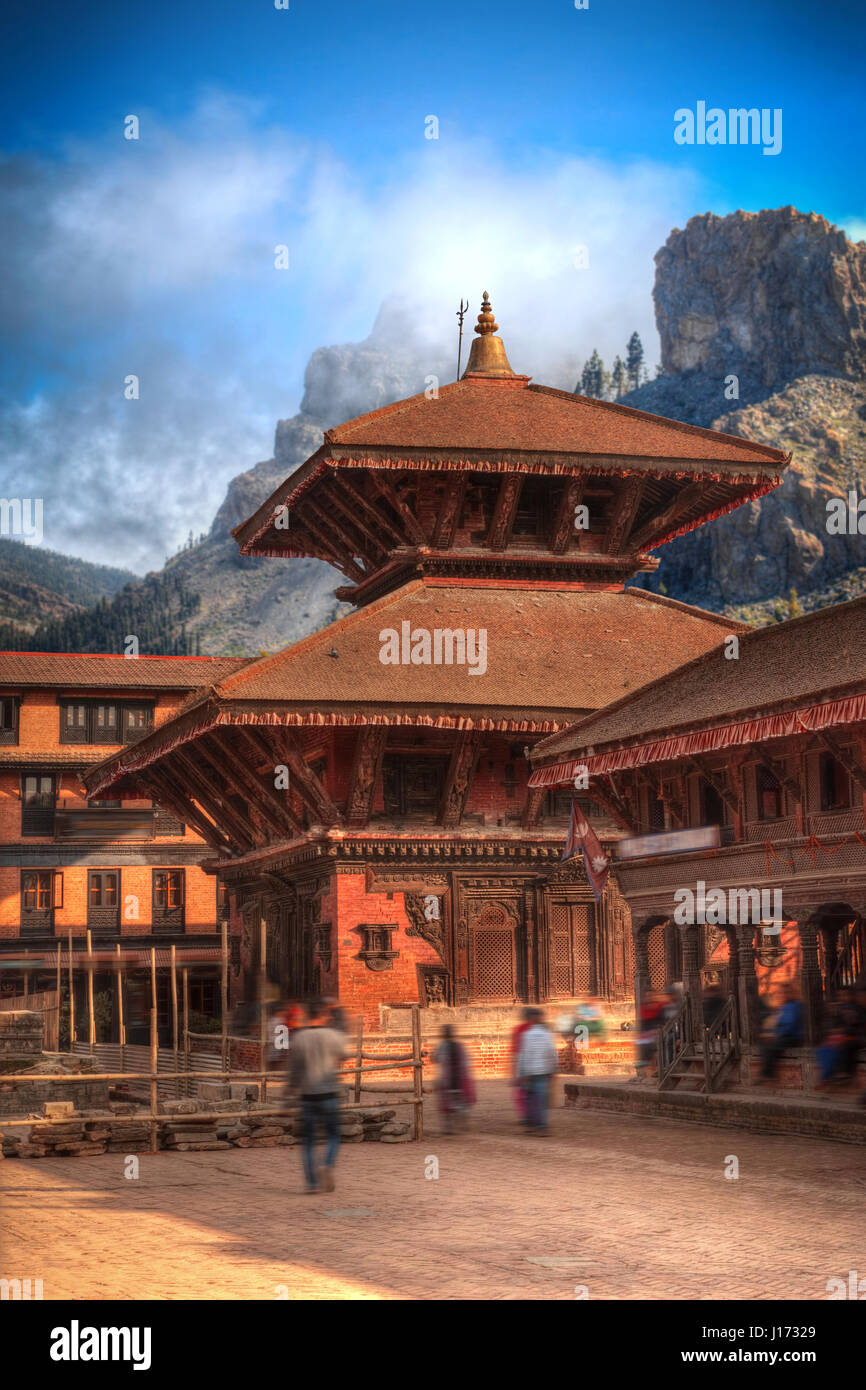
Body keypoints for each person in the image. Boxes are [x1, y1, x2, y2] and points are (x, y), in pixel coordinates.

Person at [286, 999, 350, 1193]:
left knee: (309, 1141)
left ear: (307, 1016)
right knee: (333, 1135)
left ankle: (312, 1183)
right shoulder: (333, 1035)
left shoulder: (299, 1038)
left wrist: (287, 1095)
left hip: (307, 1096)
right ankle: (327, 1164)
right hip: (329, 1092)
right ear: (323, 1014)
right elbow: (344, 1055)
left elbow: (293, 1071)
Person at [516, 1008, 558, 1134]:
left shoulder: (527, 1035)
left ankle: (535, 1124)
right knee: (542, 1098)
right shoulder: (546, 1034)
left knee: (531, 1098)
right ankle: (541, 1125)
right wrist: (553, 1069)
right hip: (543, 1070)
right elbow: (552, 1052)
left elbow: (525, 1055)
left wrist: (523, 1072)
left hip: (532, 1071)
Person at [433, 1024, 476, 1133]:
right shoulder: (459, 1047)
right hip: (459, 1079)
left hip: (447, 1079)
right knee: (460, 1101)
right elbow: (466, 1063)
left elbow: (435, 1059)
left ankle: (448, 1125)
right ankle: (462, 1119)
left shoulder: (441, 1047)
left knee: (447, 1103)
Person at [760, 984, 803, 1081]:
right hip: (783, 1035)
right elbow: (778, 1023)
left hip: (793, 1036)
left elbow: (791, 1024)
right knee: (764, 1045)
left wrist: (777, 1035)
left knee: (771, 1047)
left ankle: (769, 1074)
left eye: (785, 992)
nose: (782, 995)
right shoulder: (783, 1007)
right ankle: (767, 1073)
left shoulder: (794, 1006)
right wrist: (773, 1034)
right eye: (781, 992)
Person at [509, 1007, 535, 1123]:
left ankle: (525, 1115)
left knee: (522, 1091)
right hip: (533, 1063)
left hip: (523, 1062)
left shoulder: (519, 1029)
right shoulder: (537, 1029)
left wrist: (513, 1072)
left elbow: (515, 1051)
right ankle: (532, 1114)